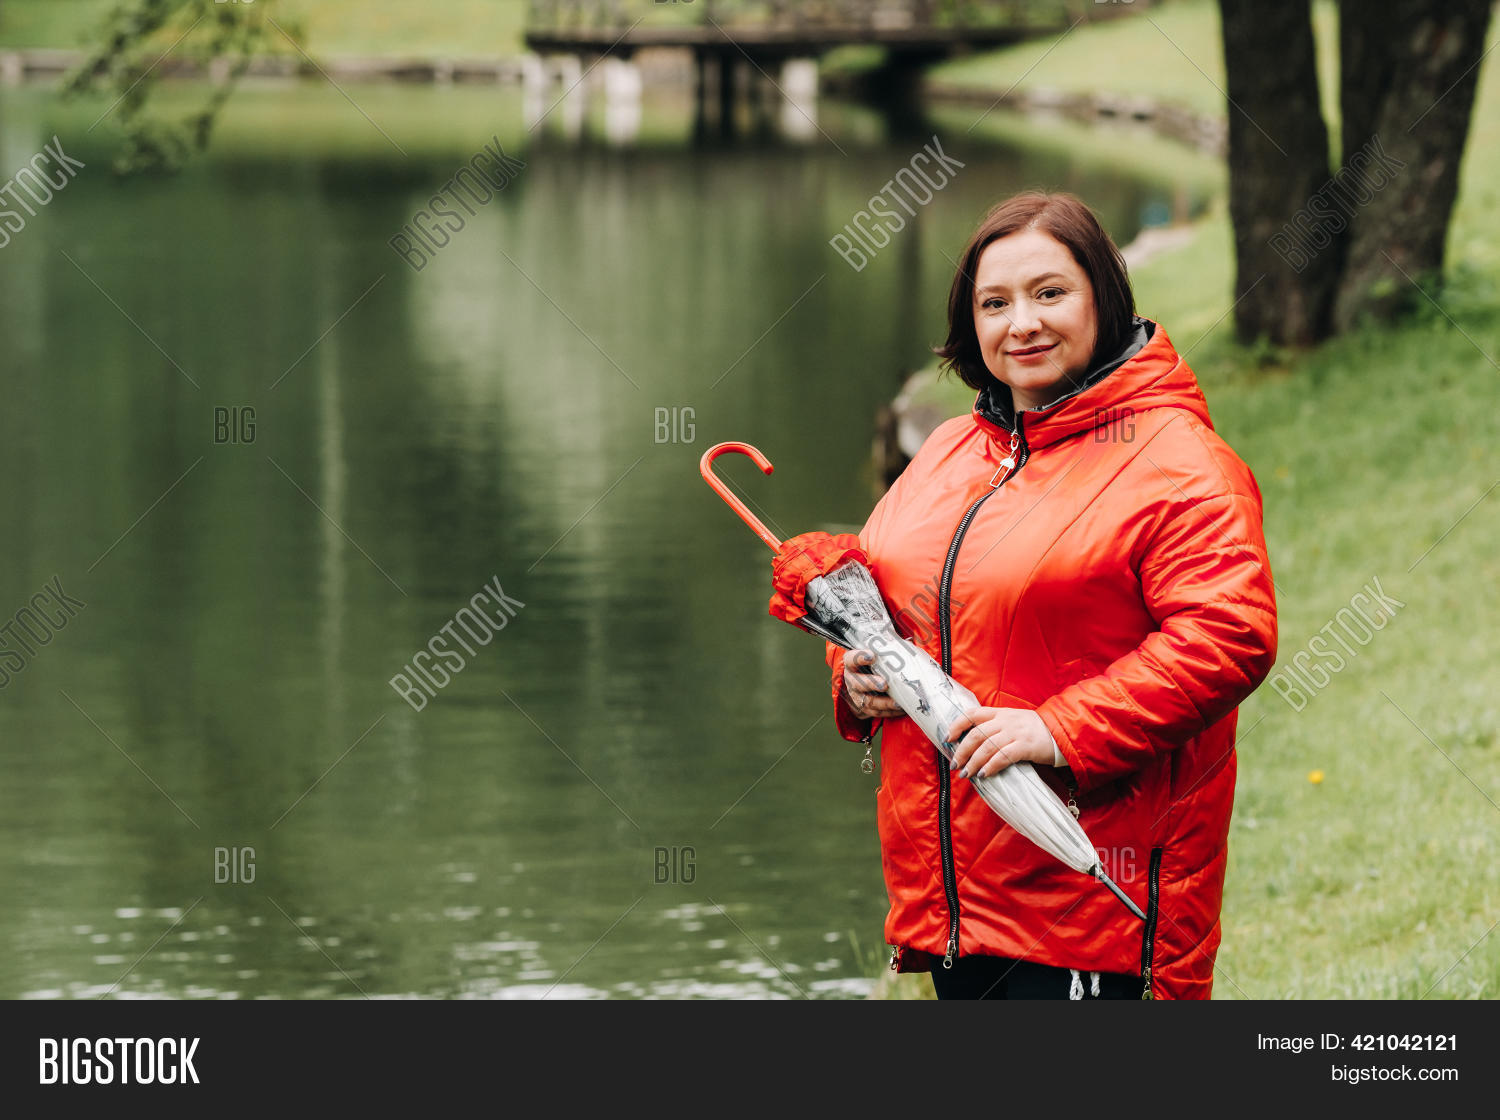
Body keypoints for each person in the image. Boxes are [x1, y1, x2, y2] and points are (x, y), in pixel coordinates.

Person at [827, 191, 1278, 1000]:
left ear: (1104, 294)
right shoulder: (950, 450)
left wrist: (1056, 729)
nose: (1021, 324)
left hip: (1091, 903)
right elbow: (890, 592)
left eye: (1049, 293)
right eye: (994, 303)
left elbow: (1228, 636)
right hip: (962, 901)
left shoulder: (1178, 462)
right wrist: (855, 676)